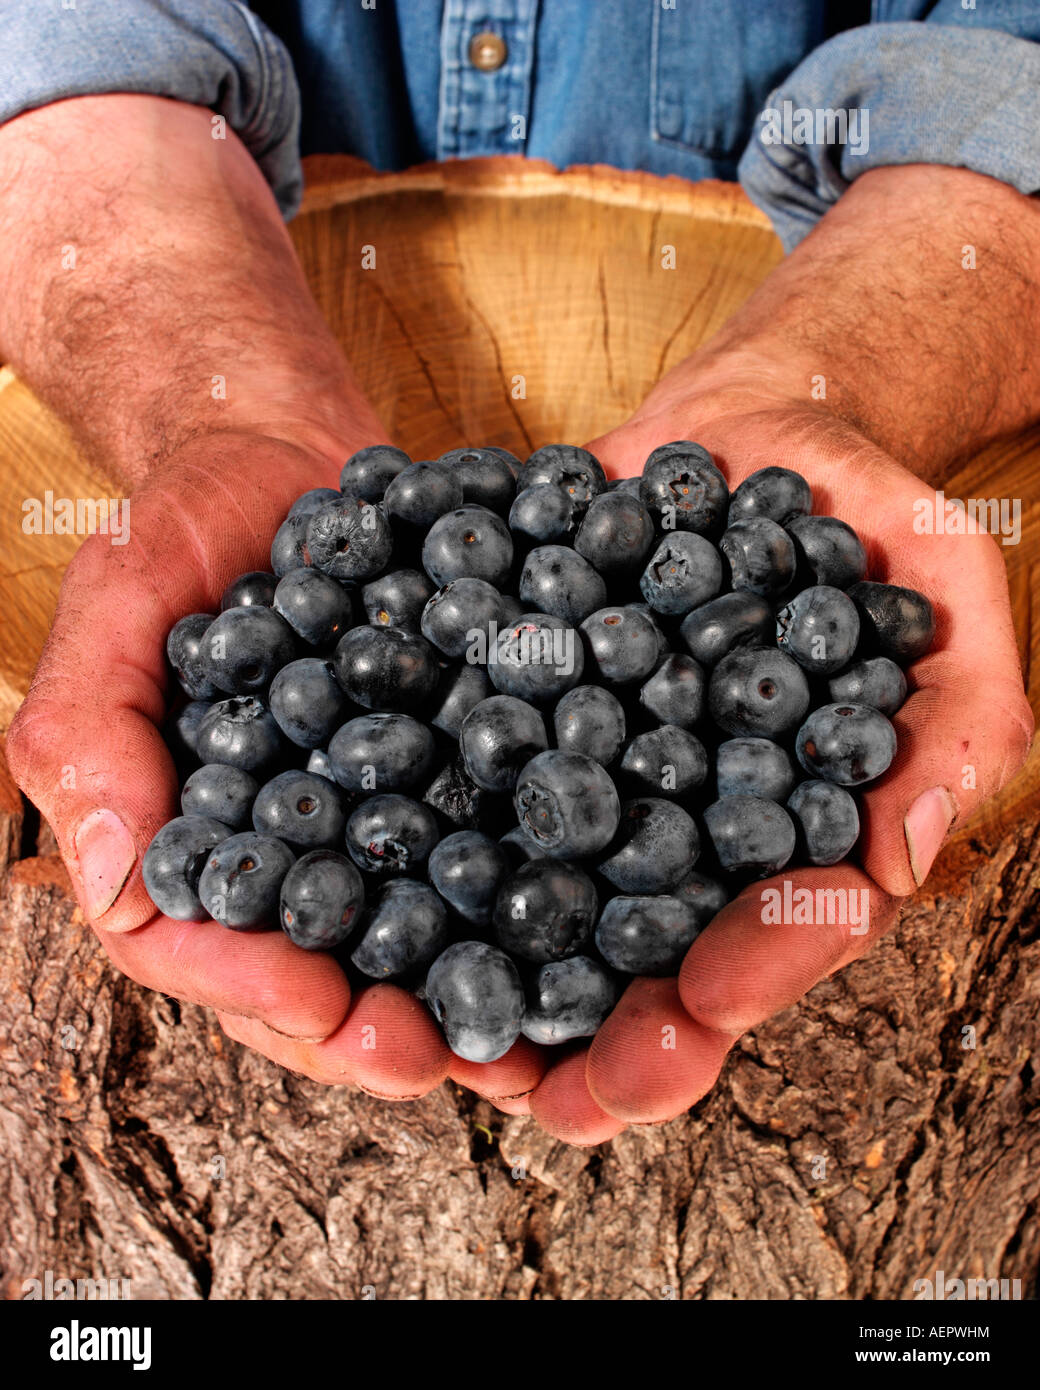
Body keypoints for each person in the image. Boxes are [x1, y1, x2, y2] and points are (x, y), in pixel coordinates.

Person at [1, 3, 1036, 1145]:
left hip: (806, 264)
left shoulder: (683, 678)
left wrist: (857, 356)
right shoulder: (369, 682)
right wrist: (213, 395)